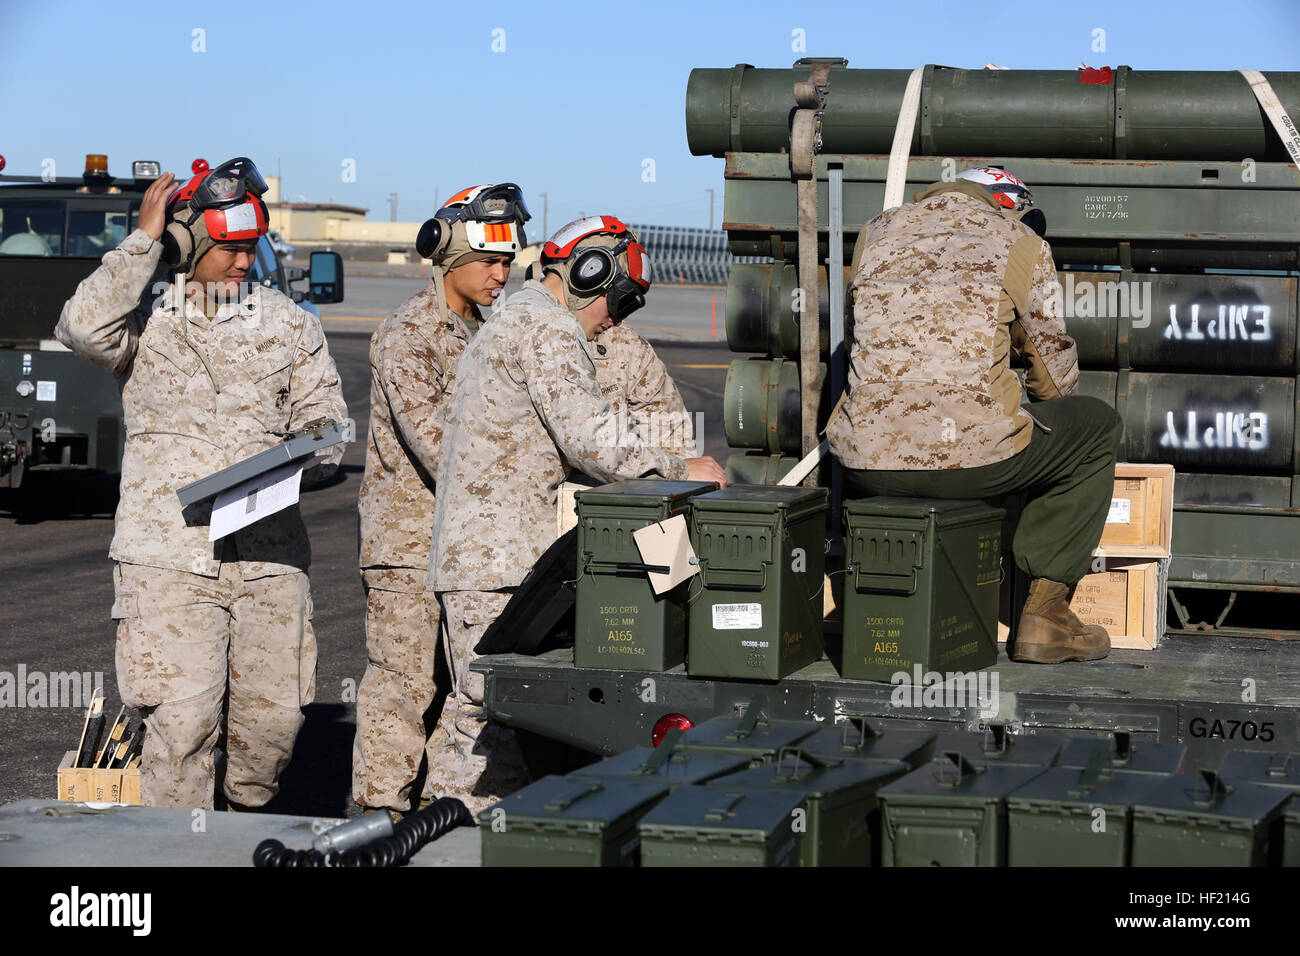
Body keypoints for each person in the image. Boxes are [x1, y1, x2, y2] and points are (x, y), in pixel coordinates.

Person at [55, 159, 346, 808]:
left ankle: (240, 828)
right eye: (226, 249)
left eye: (250, 248)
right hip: (169, 560)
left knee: (270, 727)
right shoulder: (146, 319)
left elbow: (329, 421)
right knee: (181, 728)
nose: (242, 262)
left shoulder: (290, 323)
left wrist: (305, 451)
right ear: (191, 245)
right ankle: (176, 856)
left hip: (269, 558)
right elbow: (80, 328)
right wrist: (143, 243)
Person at [427, 216, 727, 810]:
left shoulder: (516, 320)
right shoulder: (545, 330)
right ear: (589, 276)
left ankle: (455, 836)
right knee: (492, 726)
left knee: (480, 719)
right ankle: (460, 843)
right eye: (617, 302)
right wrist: (680, 466)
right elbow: (593, 440)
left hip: (492, 555)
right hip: (495, 561)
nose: (615, 320)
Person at [826, 167, 1123, 665]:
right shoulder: (1020, 241)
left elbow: (861, 337)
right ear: (1010, 204)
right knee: (1095, 428)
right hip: (975, 469)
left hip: (863, 463)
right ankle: (1046, 616)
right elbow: (1052, 379)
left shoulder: (875, 232)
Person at [352, 184, 527, 815]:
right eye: (489, 262)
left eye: (507, 263)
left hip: (470, 550)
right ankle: (378, 821)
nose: (500, 275)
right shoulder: (408, 336)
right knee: (402, 689)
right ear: (448, 256)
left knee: (469, 690)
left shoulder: (495, 331)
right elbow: (440, 451)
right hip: (409, 546)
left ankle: (440, 816)